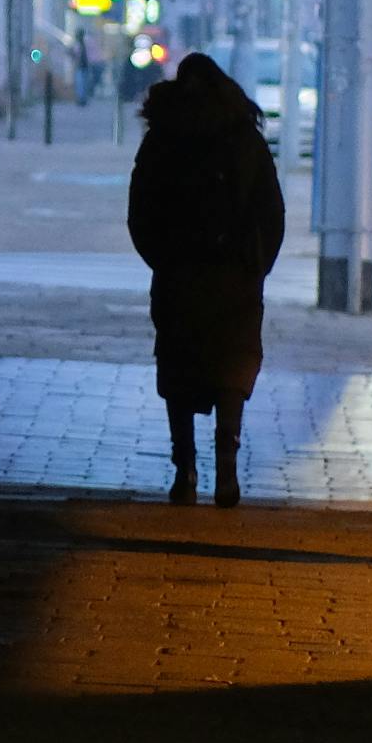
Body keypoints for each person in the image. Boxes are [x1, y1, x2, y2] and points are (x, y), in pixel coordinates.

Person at [126, 50, 283, 506]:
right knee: (230, 368)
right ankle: (227, 471)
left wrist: (161, 259)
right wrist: (256, 264)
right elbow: (271, 210)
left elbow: (141, 209)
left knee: (179, 368)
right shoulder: (244, 138)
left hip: (180, 274)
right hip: (235, 275)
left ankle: (185, 469)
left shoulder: (162, 137)